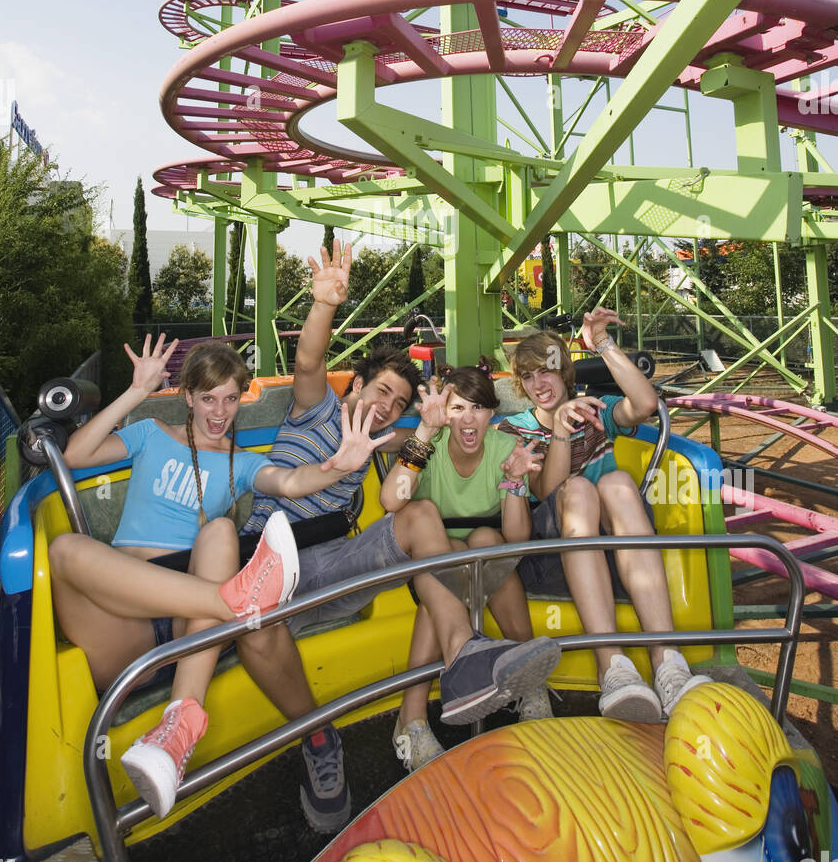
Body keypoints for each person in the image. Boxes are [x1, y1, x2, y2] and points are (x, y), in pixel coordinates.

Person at [238, 240, 560, 830]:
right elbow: (309, 363)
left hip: (330, 565)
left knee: (431, 526)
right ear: (355, 385)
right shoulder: (318, 411)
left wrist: (424, 436)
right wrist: (324, 305)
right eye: (381, 392)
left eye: (402, 401)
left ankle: (464, 655)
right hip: (265, 564)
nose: (388, 407)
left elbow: (400, 504)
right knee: (257, 628)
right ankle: (324, 742)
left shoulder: (390, 445)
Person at [49, 336, 390, 818]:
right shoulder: (149, 432)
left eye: (231, 398)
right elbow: (76, 456)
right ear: (187, 397)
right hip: (126, 622)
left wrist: (337, 467)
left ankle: (180, 724)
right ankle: (236, 601)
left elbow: (289, 482)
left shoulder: (242, 461)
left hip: (192, 628)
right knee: (63, 550)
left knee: (221, 532)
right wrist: (135, 392)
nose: (220, 411)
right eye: (208, 398)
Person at [504, 308, 709, 722]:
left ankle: (667, 661)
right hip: (554, 555)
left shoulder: (596, 411)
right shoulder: (516, 431)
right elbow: (546, 491)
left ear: (565, 373)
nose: (539, 383)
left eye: (547, 370)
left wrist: (601, 343)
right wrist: (561, 430)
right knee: (577, 488)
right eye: (528, 376)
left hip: (620, 551)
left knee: (616, 482)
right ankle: (611, 666)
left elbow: (646, 403)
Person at [379, 362, 551, 772]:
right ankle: (419, 717)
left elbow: (516, 538)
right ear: (446, 414)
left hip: (484, 559)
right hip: (437, 559)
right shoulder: (432, 443)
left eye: (477, 408)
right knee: (452, 559)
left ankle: (415, 718)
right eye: (457, 409)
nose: (468, 418)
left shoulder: (506, 448)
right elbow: (392, 500)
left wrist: (513, 484)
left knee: (485, 542)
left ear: (491, 415)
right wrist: (422, 433)